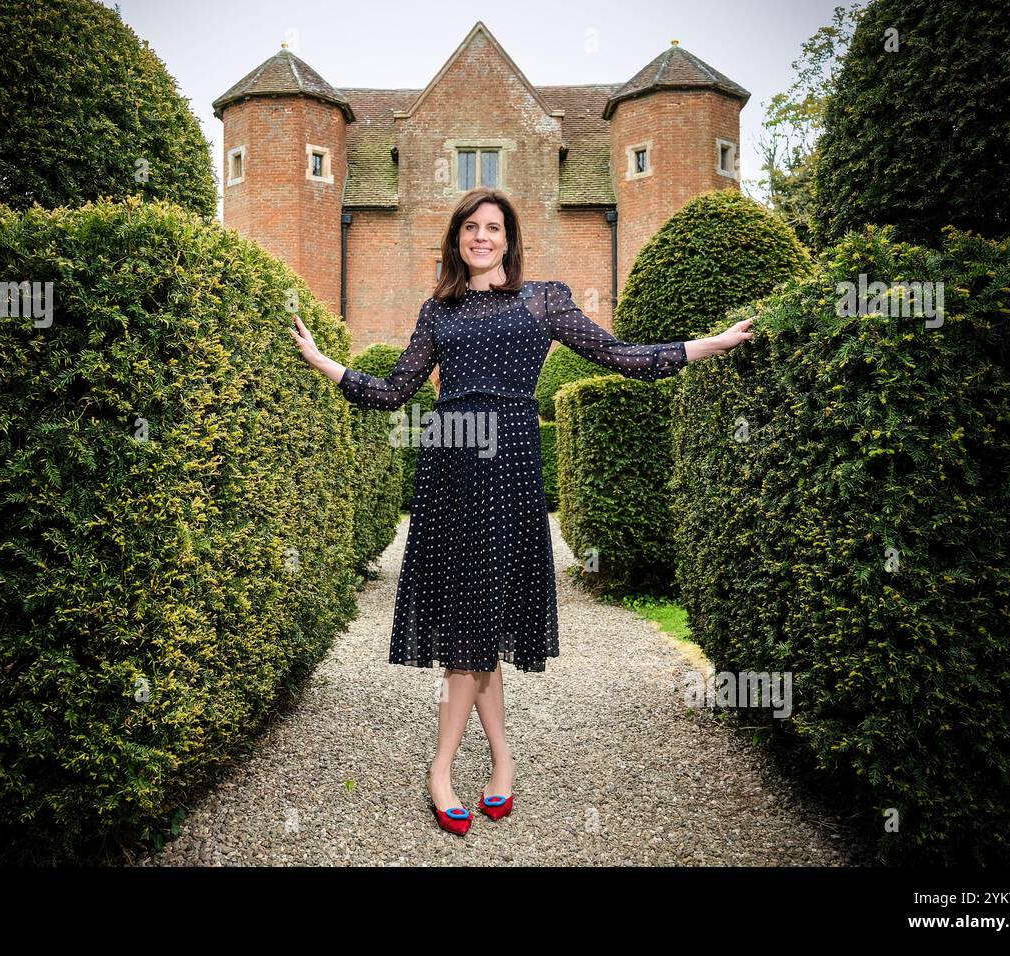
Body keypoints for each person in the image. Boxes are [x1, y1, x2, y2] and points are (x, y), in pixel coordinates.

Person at [289, 188, 754, 835]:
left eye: (493, 228)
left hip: (508, 473)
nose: (482, 237)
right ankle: (466, 767)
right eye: (471, 228)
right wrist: (322, 363)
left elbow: (620, 356)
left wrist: (708, 345)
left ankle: (466, 765)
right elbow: (393, 391)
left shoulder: (544, 299)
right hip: (450, 474)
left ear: (509, 238)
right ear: (457, 239)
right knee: (471, 628)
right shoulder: (438, 311)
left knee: (483, 624)